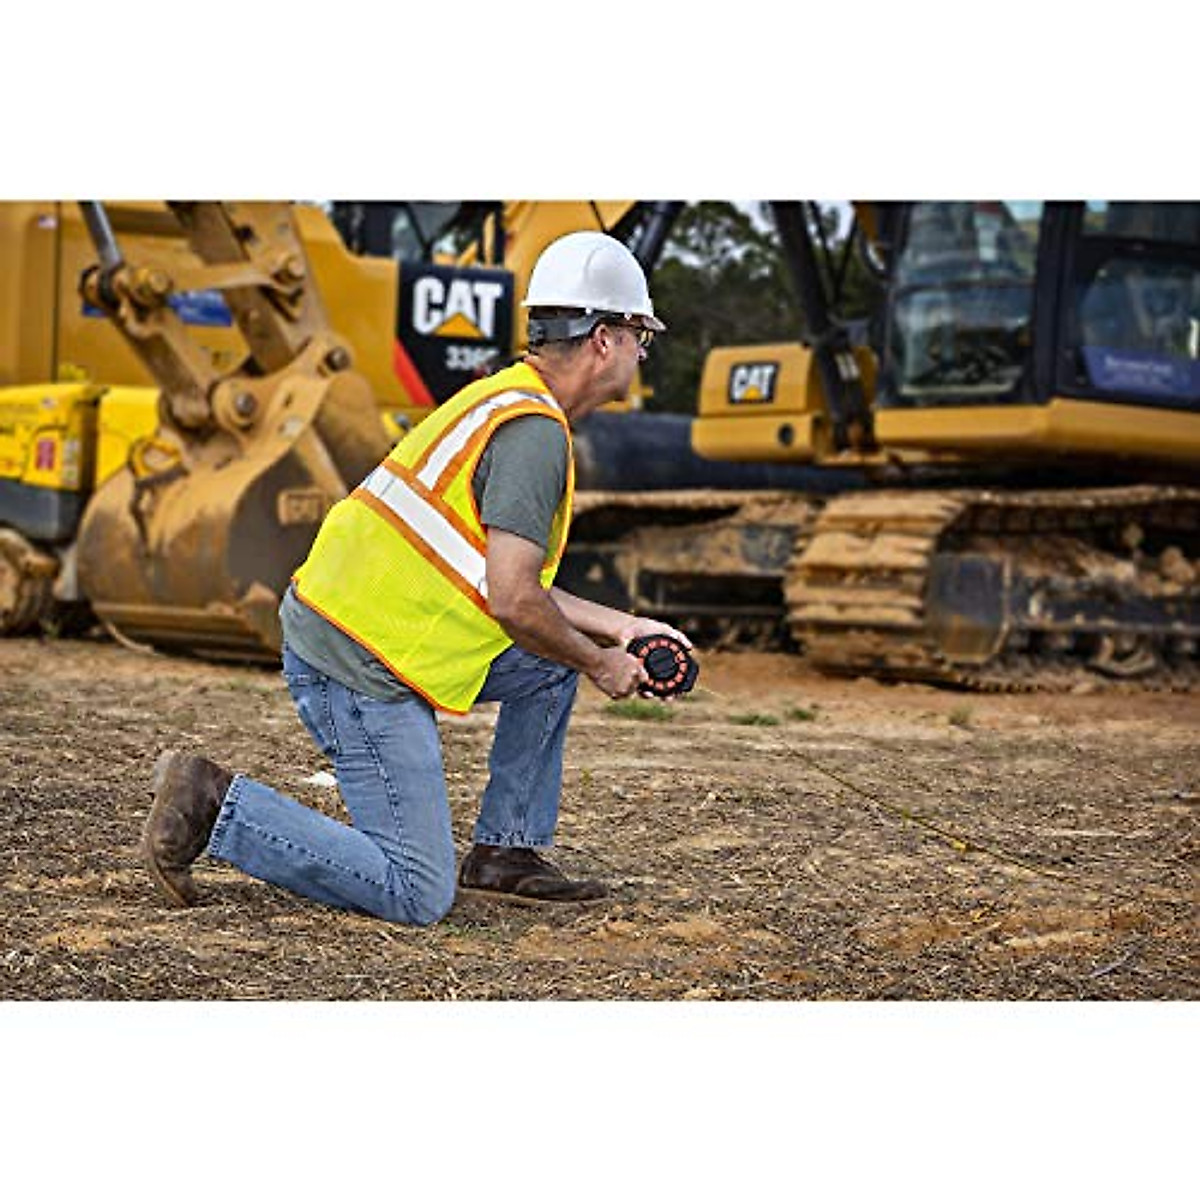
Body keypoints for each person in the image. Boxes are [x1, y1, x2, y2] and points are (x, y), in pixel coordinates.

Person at [140, 230, 688, 925]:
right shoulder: (535, 435)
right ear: (605, 339)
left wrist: (623, 628)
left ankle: (506, 852)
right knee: (415, 890)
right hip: (359, 659)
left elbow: (501, 576)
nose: (643, 353)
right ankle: (216, 807)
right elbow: (515, 600)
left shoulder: (506, 400)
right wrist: (601, 663)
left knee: (551, 664)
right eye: (641, 336)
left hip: (367, 627)